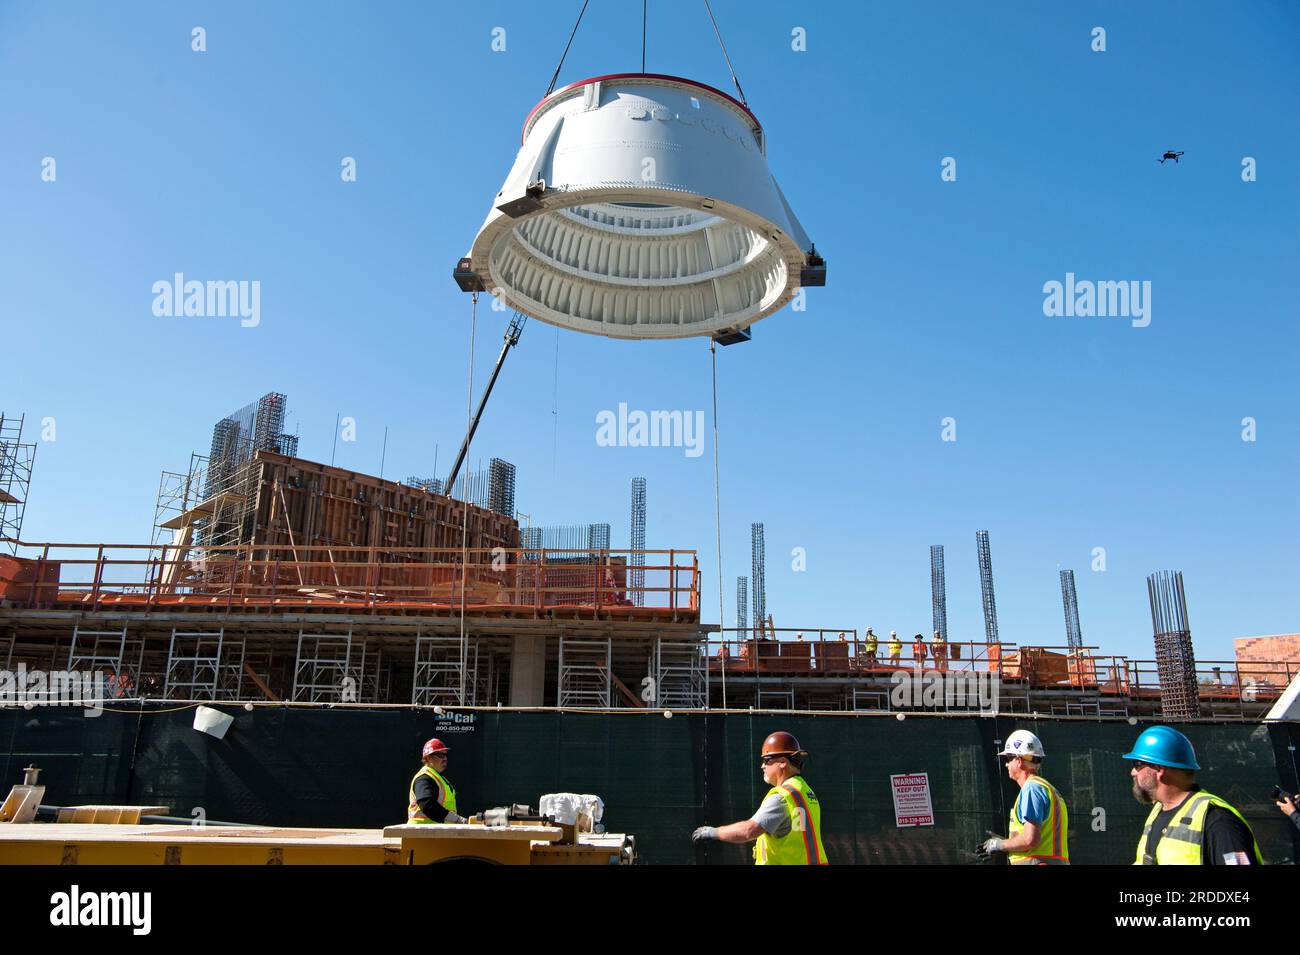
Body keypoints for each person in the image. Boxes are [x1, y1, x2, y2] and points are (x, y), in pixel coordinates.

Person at [1125, 725, 1262, 865]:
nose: (1133, 772)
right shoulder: (1158, 811)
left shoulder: (1219, 822)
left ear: (1159, 769)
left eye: (1137, 764)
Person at [692, 731, 827, 865]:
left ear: (782, 762)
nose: (762, 766)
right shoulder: (805, 792)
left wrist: (712, 832)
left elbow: (748, 831)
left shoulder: (782, 797)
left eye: (767, 760)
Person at [978, 729, 1069, 865]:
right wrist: (1009, 843)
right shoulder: (1047, 789)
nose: (1006, 764)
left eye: (1009, 758)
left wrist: (999, 845)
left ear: (1019, 760)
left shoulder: (1032, 789)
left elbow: (1029, 839)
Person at [408, 737, 467, 824]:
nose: (445, 758)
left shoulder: (438, 778)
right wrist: (456, 819)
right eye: (440, 755)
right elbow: (427, 805)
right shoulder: (424, 778)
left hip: (434, 832)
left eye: (445, 755)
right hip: (422, 833)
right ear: (428, 758)